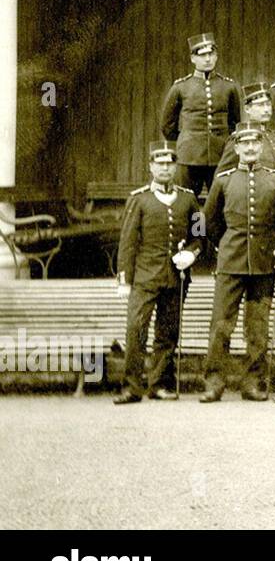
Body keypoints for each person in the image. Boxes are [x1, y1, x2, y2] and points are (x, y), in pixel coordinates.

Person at [200, 123, 275, 402]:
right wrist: (224, 246)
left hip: (263, 262)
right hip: (230, 262)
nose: (250, 148)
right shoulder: (223, 180)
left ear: (261, 146)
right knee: (220, 326)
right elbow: (209, 222)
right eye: (244, 143)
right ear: (236, 147)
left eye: (255, 143)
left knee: (257, 328)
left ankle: (253, 382)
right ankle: (214, 382)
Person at [113, 141, 203, 404]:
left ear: (175, 167)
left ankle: (159, 384)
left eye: (169, 163)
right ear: (151, 166)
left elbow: (201, 237)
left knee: (168, 332)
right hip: (143, 278)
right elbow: (127, 242)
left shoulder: (188, 199)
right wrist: (124, 280)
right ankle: (131, 387)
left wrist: (192, 254)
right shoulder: (138, 199)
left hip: (175, 278)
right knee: (136, 330)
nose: (165, 168)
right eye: (160, 163)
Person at [159, 32, 241, 196]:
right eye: (202, 55)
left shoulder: (228, 87)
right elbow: (167, 124)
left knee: (219, 202)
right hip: (189, 157)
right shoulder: (181, 87)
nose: (207, 59)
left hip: (220, 155)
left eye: (211, 54)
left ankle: (208, 224)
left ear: (216, 56)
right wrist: (186, 141)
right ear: (192, 58)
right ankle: (197, 224)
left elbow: (235, 122)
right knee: (187, 200)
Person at [216, 82, 275, 173]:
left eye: (268, 104)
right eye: (260, 105)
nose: (266, 110)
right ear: (247, 109)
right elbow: (223, 176)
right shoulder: (238, 137)